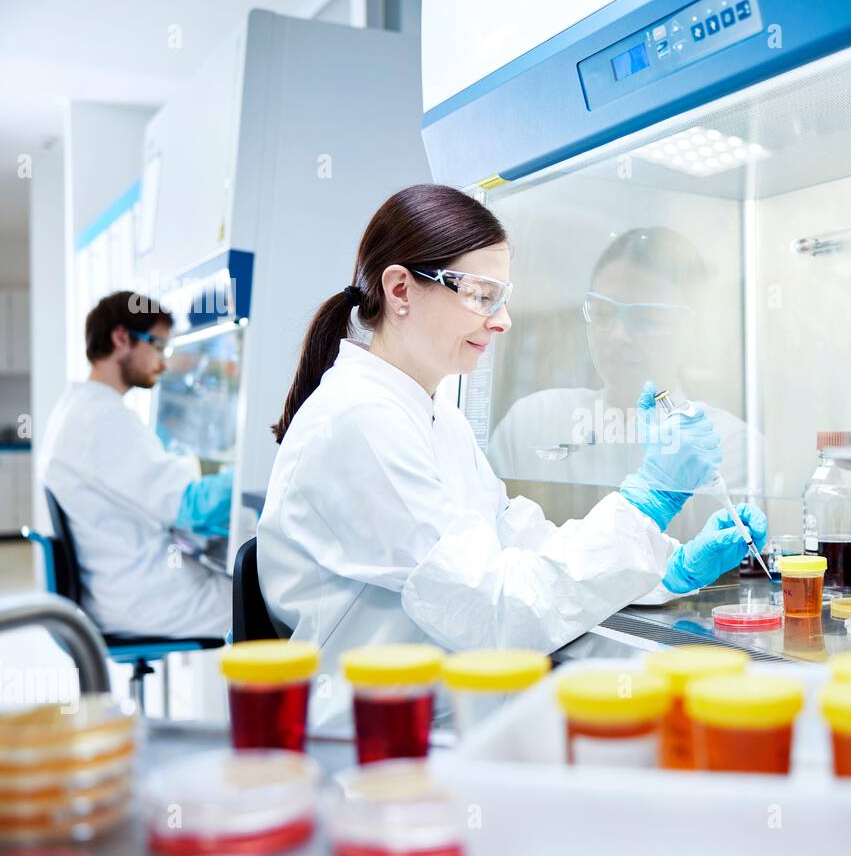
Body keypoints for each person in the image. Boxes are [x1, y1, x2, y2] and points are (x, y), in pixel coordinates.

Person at [257, 185, 767, 725]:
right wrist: (651, 499)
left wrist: (667, 567)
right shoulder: (360, 423)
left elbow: (519, 543)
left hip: (442, 719)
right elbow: (494, 611)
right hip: (375, 746)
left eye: (502, 298)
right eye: (481, 296)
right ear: (401, 289)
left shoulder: (433, 416)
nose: (502, 321)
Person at [488, 227, 763, 498]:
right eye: (604, 312)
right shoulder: (533, 421)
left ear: (691, 329)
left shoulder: (727, 445)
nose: (618, 335)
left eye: (645, 318)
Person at [39, 291, 233, 638]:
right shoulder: (102, 418)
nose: (163, 362)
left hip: (112, 587)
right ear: (121, 338)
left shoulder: (76, 407)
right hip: (140, 598)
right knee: (258, 601)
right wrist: (257, 468)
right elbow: (192, 507)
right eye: (158, 346)